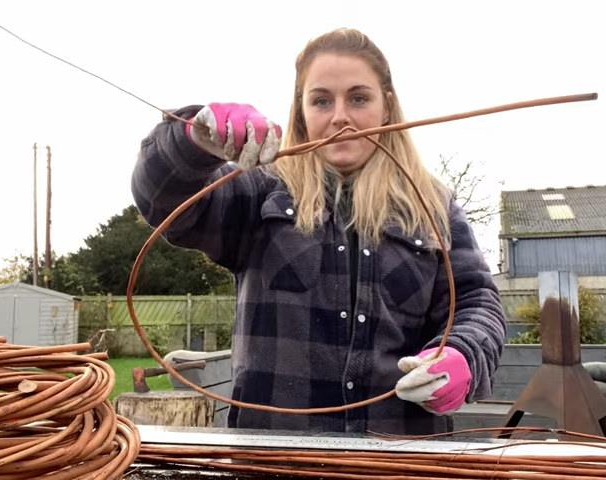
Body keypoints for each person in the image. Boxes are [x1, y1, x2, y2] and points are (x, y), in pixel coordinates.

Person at [131, 27, 507, 436]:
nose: (340, 116)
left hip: (402, 459)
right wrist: (190, 140)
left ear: (387, 108)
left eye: (359, 98)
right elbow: (161, 198)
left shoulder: (433, 205)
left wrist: (462, 354)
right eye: (322, 100)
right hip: (274, 459)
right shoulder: (261, 190)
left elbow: (477, 301)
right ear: (302, 112)